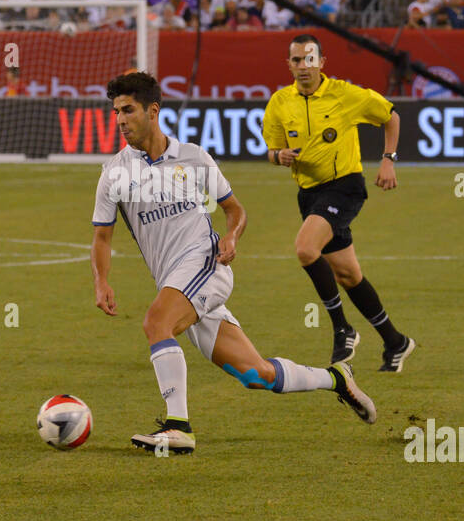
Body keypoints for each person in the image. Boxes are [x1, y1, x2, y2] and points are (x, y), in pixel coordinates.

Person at [91, 71, 376, 454]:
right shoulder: (114, 173)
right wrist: (101, 281)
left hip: (206, 266)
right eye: (115, 112)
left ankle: (178, 427)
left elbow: (234, 210)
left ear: (152, 110)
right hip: (176, 284)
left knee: (156, 322)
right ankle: (337, 379)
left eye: (128, 110)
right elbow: (102, 236)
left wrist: (231, 236)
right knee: (257, 375)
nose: (120, 120)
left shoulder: (193, 157)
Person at [262, 35, 415, 371]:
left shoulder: (344, 94)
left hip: (344, 187)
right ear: (289, 64)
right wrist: (279, 156)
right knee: (348, 275)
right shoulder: (279, 103)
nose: (303, 66)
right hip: (310, 194)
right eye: (297, 60)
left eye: (309, 59)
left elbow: (391, 116)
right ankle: (396, 341)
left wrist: (388, 159)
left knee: (305, 249)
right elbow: (271, 150)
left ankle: (342, 328)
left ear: (322, 62)